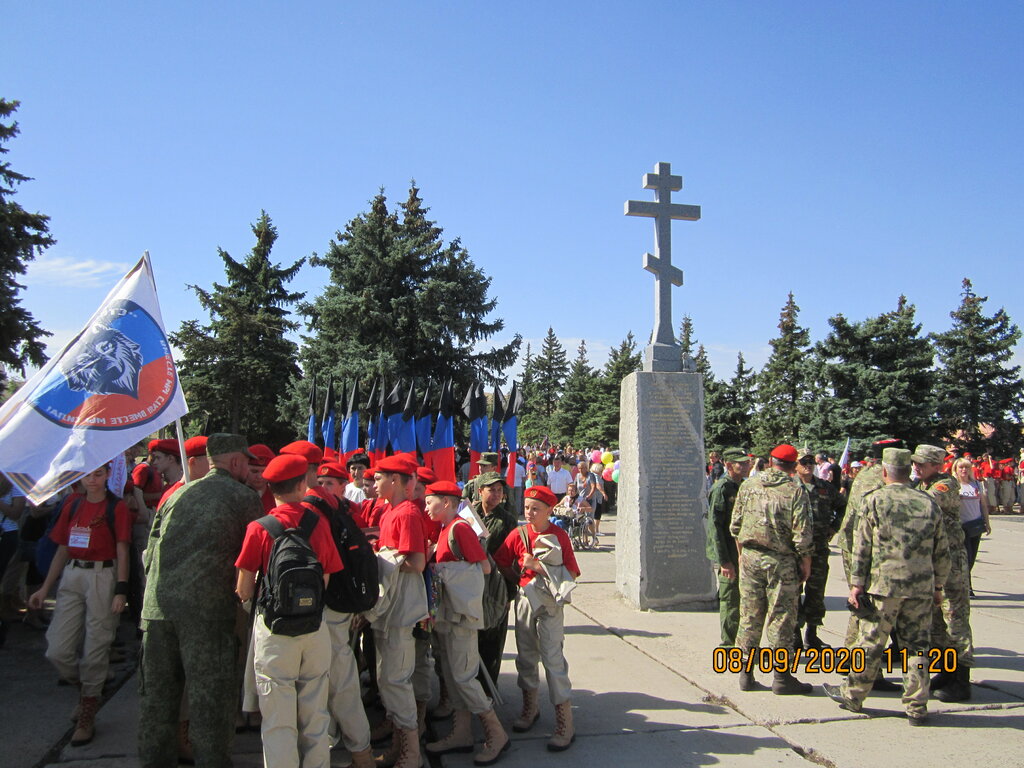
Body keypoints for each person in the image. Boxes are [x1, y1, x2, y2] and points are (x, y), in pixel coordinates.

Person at [137, 434, 262, 768]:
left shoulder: (176, 495)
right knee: (211, 704)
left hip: (157, 611)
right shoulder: (243, 498)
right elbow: (256, 556)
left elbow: (149, 556)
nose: (250, 470)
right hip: (208, 616)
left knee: (157, 703)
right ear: (235, 462)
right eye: (247, 463)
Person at [823, 447, 951, 726]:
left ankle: (852, 695)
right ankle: (916, 706)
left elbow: (862, 546)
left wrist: (856, 584)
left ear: (884, 472)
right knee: (917, 647)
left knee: (869, 642)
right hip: (920, 587)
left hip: (884, 586)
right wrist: (938, 585)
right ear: (909, 472)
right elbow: (942, 549)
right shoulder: (927, 501)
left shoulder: (874, 500)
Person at [235, 454, 343, 768]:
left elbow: (243, 587)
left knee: (277, 716)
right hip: (313, 626)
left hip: (273, 629)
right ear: (301, 484)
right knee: (315, 711)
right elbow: (326, 576)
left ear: (271, 488)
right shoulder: (318, 522)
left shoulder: (259, 528)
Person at [28, 463, 131, 746]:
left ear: (108, 474)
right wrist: (44, 588)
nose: (93, 480)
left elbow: (123, 549)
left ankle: (88, 711)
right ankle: (87, 689)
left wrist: (121, 591)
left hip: (103, 575)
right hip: (73, 574)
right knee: (57, 650)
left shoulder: (116, 507)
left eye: (99, 474)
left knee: (97, 645)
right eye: (88, 475)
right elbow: (62, 547)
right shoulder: (73, 503)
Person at [423, 480, 510, 766]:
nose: (426, 507)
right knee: (451, 674)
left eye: (429, 501)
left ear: (446, 502)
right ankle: (461, 733)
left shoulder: (459, 529)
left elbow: (484, 567)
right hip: (449, 615)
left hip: (461, 615)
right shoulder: (446, 528)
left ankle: (495, 733)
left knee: (463, 676)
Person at [494, 485, 580, 752]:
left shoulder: (559, 536)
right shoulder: (517, 534)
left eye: (536, 509)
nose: (529, 513)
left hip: (550, 605)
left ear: (549, 511)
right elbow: (501, 561)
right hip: (524, 600)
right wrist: (519, 580)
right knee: (526, 656)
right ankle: (530, 708)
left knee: (553, 659)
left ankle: (565, 721)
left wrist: (537, 567)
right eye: (527, 507)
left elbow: (572, 573)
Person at [729, 444, 813, 695]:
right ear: (792, 465)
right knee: (782, 618)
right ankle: (782, 677)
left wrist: (742, 554)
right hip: (781, 562)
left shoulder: (749, 485)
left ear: (771, 462)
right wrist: (806, 562)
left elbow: (736, 525)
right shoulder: (795, 490)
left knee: (749, 615)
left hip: (751, 558)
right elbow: (803, 534)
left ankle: (744, 673)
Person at [369, 453, 428, 768]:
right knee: (387, 678)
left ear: (395, 481)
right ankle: (399, 745)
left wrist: (379, 560)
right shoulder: (391, 511)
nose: (374, 482)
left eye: (379, 477)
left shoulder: (406, 513)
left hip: (401, 606)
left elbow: (417, 563)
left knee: (396, 679)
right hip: (389, 605)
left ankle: (411, 753)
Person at [912, 444, 974, 702]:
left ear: (937, 466)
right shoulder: (920, 485)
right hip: (931, 563)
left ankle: (961, 679)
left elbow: (922, 505)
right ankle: (946, 672)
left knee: (954, 619)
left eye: (922, 463)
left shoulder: (945, 486)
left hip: (951, 565)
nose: (916, 467)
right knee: (936, 623)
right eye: (914, 462)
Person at [470, 471, 518, 686]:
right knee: (469, 640)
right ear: (480, 491)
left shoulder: (507, 519)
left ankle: (488, 688)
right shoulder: (468, 514)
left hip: (496, 587)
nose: (497, 494)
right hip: (470, 585)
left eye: (500, 490)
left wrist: (510, 590)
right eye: (492, 489)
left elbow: (512, 557)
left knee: (492, 639)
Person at [794, 453, 844, 649]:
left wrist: (834, 527)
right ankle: (794, 635)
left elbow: (842, 506)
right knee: (794, 594)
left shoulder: (825, 487)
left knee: (816, 593)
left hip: (819, 549)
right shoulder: (790, 487)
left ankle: (812, 634)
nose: (808, 466)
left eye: (811, 463)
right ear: (795, 466)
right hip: (796, 551)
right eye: (803, 463)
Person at [704, 447, 749, 647]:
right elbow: (715, 527)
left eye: (747, 462)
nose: (747, 466)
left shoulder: (743, 486)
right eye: (741, 463)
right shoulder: (721, 488)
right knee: (730, 600)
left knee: (744, 600)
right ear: (729, 465)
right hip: (729, 553)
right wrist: (724, 561)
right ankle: (729, 643)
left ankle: (741, 640)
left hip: (743, 553)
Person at [952, 457, 990, 580]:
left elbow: (983, 505)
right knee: (966, 557)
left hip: (976, 525)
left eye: (967, 467)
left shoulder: (976, 484)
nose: (964, 470)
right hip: (962, 526)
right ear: (955, 469)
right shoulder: (954, 485)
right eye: (961, 467)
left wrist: (987, 523)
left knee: (972, 557)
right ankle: (967, 585)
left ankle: (965, 581)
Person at [582, 462, 608, 536]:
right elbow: (598, 485)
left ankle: (594, 530)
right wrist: (604, 493)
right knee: (597, 514)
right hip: (596, 497)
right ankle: (596, 530)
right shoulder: (596, 476)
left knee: (593, 514)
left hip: (595, 497)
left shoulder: (591, 475)